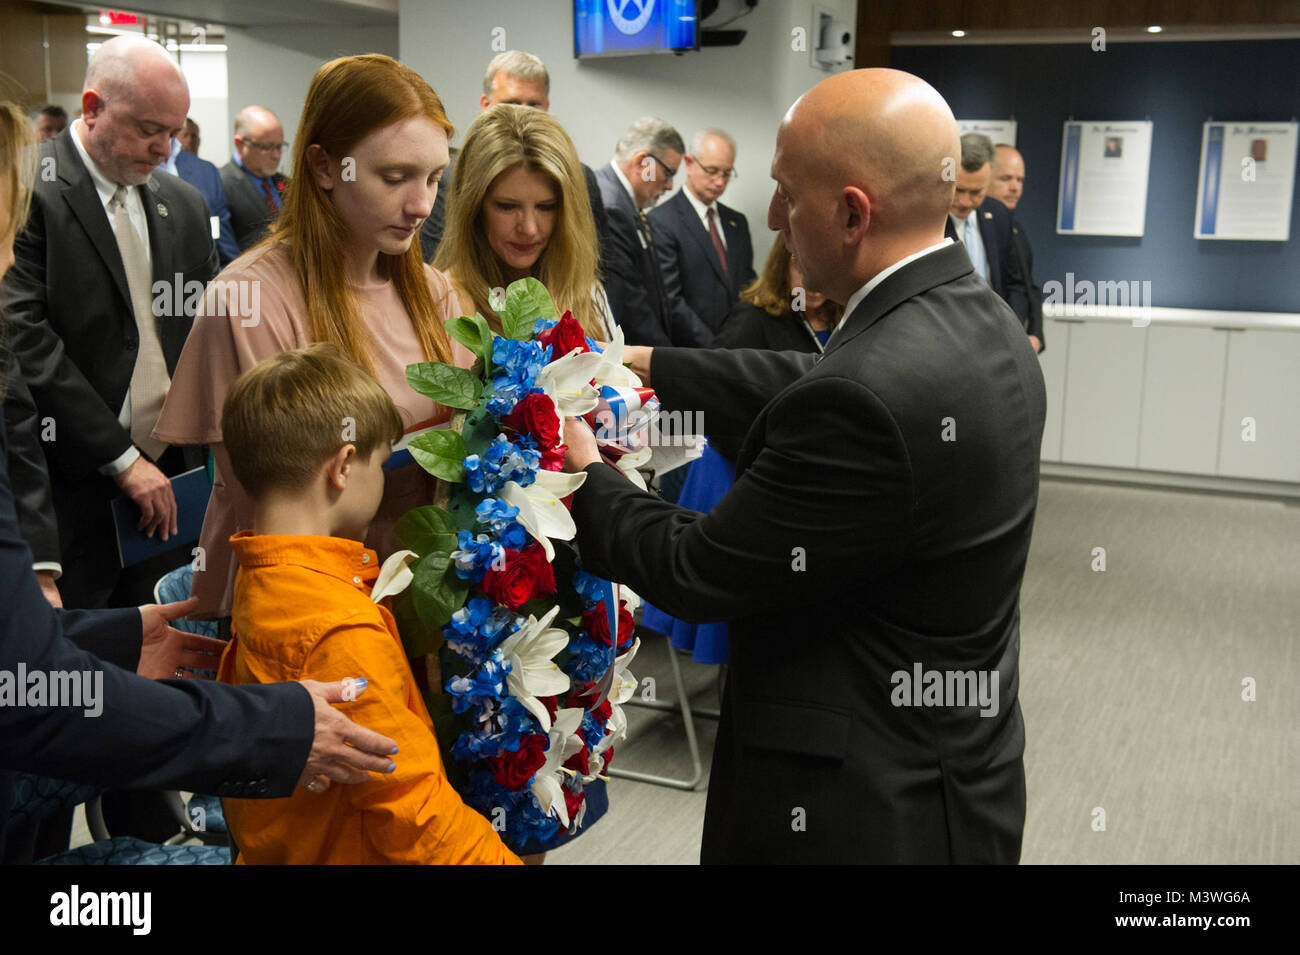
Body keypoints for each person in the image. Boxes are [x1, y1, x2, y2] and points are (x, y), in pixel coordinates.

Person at [562, 68, 1045, 863]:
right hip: (957, 772)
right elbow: (812, 383)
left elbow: (696, 567)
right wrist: (650, 362)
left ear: (853, 213)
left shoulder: (869, 391)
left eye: (787, 193)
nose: (776, 215)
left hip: (855, 807)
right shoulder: (975, 316)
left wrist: (586, 472)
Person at [0, 99, 403, 862]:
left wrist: (117, 639)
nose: (11, 261)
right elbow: (33, 700)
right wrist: (267, 727)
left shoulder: (180, 205)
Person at [156, 54, 474, 622]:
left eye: (433, 178)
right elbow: (272, 507)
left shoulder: (433, 293)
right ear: (325, 168)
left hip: (401, 597)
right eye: (395, 177)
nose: (422, 205)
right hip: (297, 611)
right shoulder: (249, 301)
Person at [217, 345, 520, 864]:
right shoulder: (340, 630)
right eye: (381, 463)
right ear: (344, 466)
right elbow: (413, 813)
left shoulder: (262, 579)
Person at [1, 35, 215, 622]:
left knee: (169, 640)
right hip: (69, 479)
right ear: (92, 107)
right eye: (150, 127)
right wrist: (122, 458)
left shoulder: (183, 202)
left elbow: (203, 329)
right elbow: (25, 340)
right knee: (90, 661)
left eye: (175, 131)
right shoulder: (26, 187)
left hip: (172, 478)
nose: (165, 147)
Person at [641, 232, 840, 665]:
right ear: (781, 269)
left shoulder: (846, 322)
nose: (815, 282)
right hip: (736, 473)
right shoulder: (752, 317)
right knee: (734, 614)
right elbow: (714, 403)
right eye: (802, 269)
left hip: (803, 478)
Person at [435, 103, 611, 338]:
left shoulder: (587, 294)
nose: (529, 229)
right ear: (473, 207)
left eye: (546, 207)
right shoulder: (446, 302)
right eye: (507, 207)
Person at [419, 50, 609, 267]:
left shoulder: (579, 177)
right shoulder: (450, 176)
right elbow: (434, 260)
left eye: (533, 105)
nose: (521, 113)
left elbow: (597, 265)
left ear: (546, 106)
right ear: (486, 105)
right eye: (511, 103)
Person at [648, 128, 756, 346]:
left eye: (726, 173)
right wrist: (713, 350)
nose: (719, 182)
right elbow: (671, 301)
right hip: (691, 353)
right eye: (712, 170)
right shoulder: (661, 221)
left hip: (739, 350)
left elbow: (747, 286)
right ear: (689, 163)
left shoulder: (737, 222)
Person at [594, 117, 685, 347]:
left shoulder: (619, 200)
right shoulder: (611, 207)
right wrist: (663, 359)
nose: (670, 186)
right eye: (669, 173)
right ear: (644, 163)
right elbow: (630, 304)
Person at [944, 132, 1030, 330]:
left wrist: (1012, 329)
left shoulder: (999, 215)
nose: (966, 202)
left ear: (988, 180)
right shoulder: (929, 220)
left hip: (996, 334)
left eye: (976, 193)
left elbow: (1015, 283)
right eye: (958, 190)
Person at [988, 144, 1044, 354]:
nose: (1015, 187)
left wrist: (1036, 334)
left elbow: (1028, 286)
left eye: (1020, 180)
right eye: (1006, 179)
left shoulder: (1016, 229)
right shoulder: (976, 232)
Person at [220, 105, 288, 251]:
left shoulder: (287, 183)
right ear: (240, 144)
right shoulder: (221, 184)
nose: (276, 155)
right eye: (266, 147)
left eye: (279, 146)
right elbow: (225, 250)